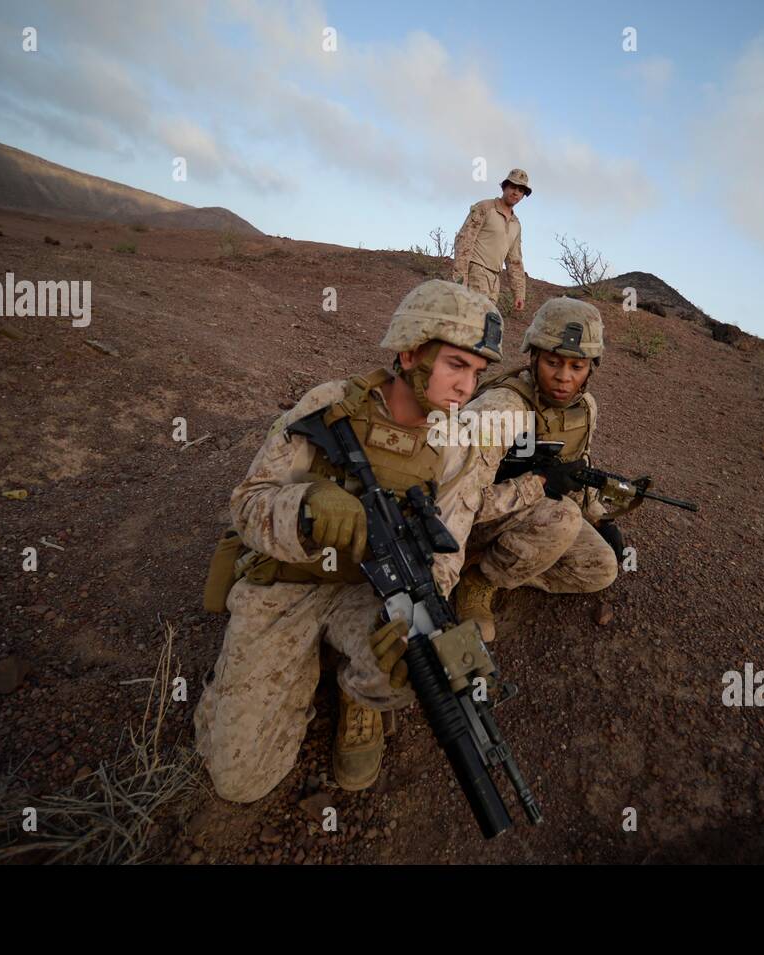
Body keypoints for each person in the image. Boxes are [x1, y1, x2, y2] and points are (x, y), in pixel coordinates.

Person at [194, 279, 503, 800]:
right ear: (410, 353)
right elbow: (247, 504)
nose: (465, 388)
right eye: (455, 365)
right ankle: (234, 689)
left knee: (412, 662)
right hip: (288, 583)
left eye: (476, 373)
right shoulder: (331, 406)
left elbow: (448, 549)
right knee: (239, 782)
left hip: (370, 592)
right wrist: (307, 507)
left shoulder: (454, 444)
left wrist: (421, 624)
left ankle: (358, 695)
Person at [452, 297, 619, 643]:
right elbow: (455, 502)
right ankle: (478, 580)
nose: (563, 378)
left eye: (577, 367)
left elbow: (580, 461)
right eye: (553, 363)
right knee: (563, 517)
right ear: (534, 357)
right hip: (468, 522)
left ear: (591, 368)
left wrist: (600, 517)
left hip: (523, 517)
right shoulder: (501, 409)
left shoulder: (585, 408)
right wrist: (539, 483)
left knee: (601, 567)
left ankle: (496, 561)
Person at [451, 168, 529, 312]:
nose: (516, 192)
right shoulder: (485, 208)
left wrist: (519, 294)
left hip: (494, 282)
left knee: (485, 327)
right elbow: (464, 241)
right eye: (513, 187)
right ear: (504, 187)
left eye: (521, 190)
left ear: (523, 195)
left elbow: (514, 261)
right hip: (475, 272)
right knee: (470, 321)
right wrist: (460, 279)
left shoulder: (516, 224)